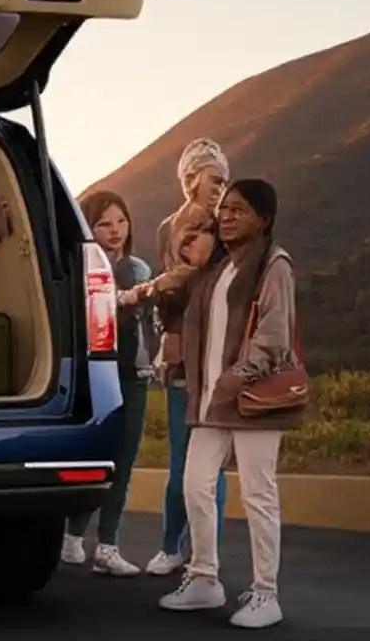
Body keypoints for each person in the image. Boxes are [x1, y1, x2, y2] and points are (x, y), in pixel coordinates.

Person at [158, 179, 303, 629]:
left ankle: (266, 594)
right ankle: (204, 579)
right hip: (212, 400)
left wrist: (236, 377)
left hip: (252, 397)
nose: (226, 216)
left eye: (239, 210)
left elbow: (275, 336)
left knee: (259, 495)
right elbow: (189, 318)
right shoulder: (217, 270)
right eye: (224, 209)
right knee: (195, 485)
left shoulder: (274, 265)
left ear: (264, 219)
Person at [60, 190, 162, 576]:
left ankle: (107, 546)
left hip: (134, 374)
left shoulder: (139, 269)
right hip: (95, 373)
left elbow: (153, 325)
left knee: (124, 461)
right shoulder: (80, 270)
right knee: (92, 460)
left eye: (121, 221)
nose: (115, 230)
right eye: (104, 222)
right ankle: (73, 538)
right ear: (90, 226)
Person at [145, 138, 232, 577]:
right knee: (181, 460)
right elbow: (166, 296)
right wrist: (165, 338)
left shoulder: (229, 230)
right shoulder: (167, 229)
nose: (220, 187)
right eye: (215, 178)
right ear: (192, 177)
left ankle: (205, 556)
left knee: (210, 464)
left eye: (225, 180)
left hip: (215, 356)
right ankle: (170, 546)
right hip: (179, 358)